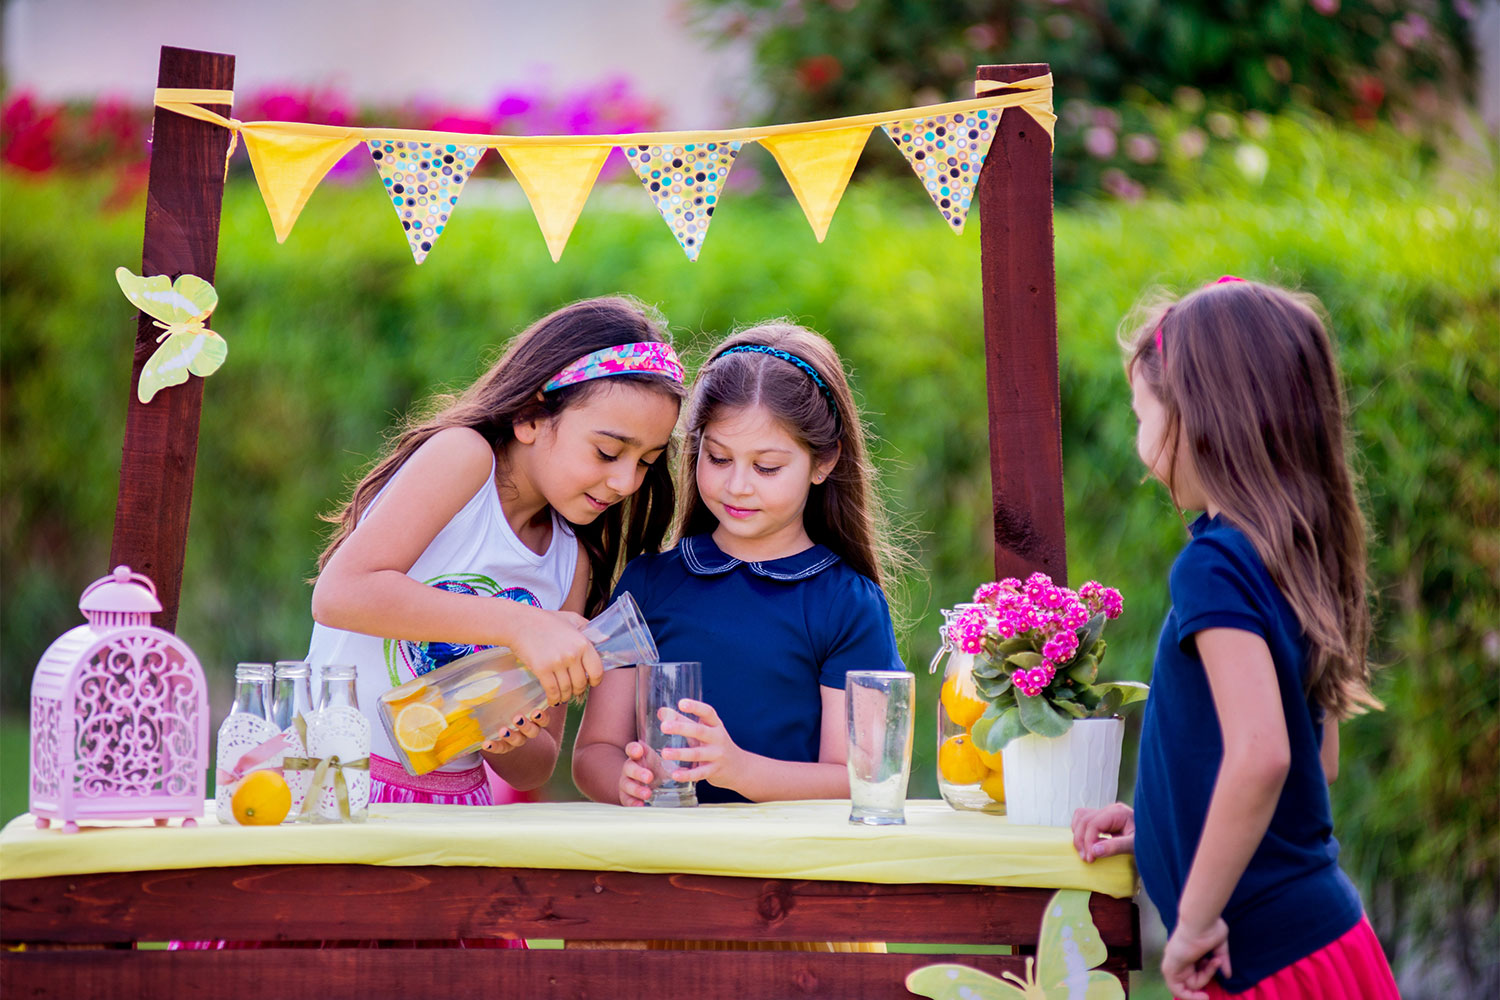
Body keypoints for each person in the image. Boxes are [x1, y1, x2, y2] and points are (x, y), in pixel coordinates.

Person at [1071, 277, 1399, 999]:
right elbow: (1320, 759)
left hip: (1256, 957)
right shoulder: (1295, 547)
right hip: (1324, 941)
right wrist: (1163, 821)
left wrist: (1192, 922)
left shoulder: (1213, 565)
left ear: (1198, 418)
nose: (1138, 442)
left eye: (1142, 415)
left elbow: (1261, 758)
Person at [309, 296, 685, 809]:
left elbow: (538, 766)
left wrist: (512, 734)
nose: (625, 481)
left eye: (646, 461)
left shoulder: (569, 561)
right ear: (531, 416)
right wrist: (518, 624)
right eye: (607, 451)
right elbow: (342, 594)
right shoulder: (463, 459)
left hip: (457, 809)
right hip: (336, 783)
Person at [573, 322, 904, 812]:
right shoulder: (648, 584)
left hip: (791, 870)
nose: (738, 486)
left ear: (823, 462)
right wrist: (624, 782)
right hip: (663, 861)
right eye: (719, 458)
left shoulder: (847, 604)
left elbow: (862, 778)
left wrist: (741, 770)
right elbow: (593, 752)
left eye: (766, 467)